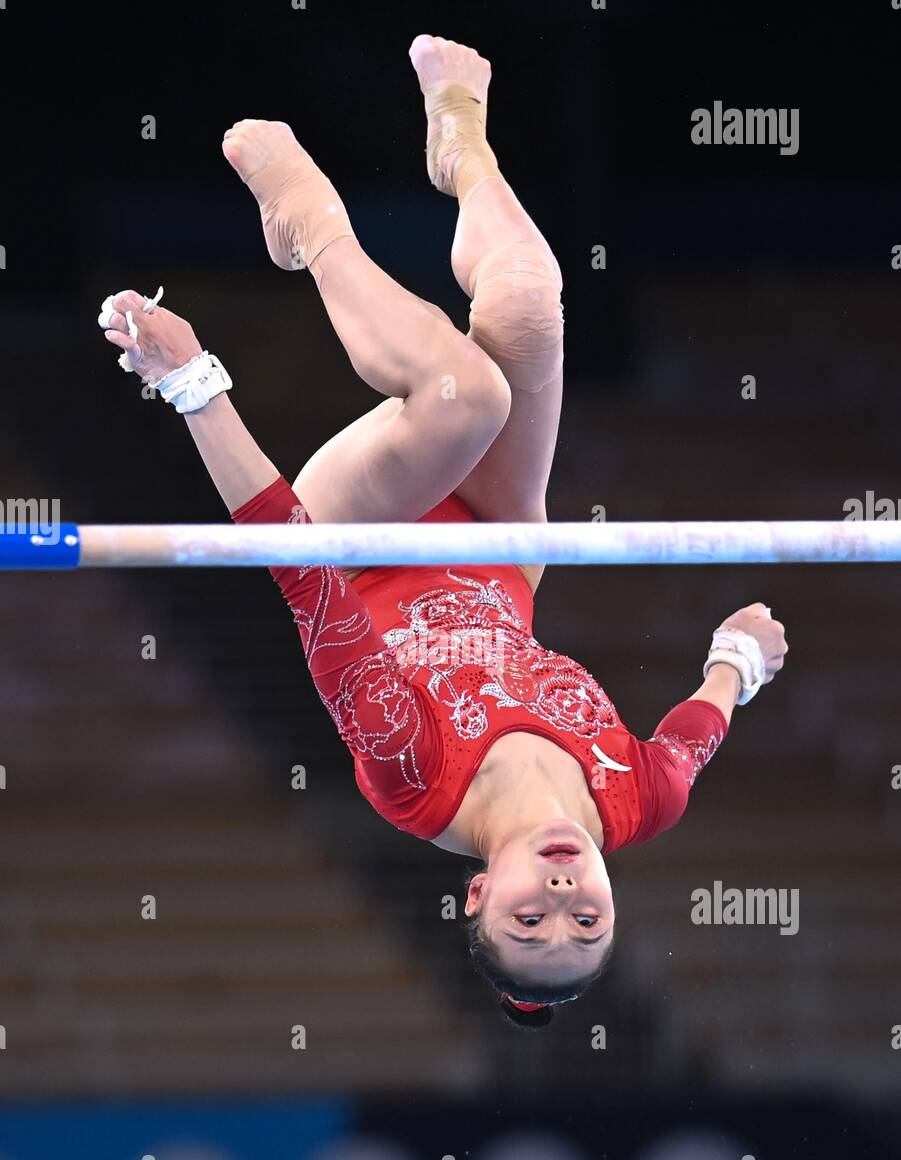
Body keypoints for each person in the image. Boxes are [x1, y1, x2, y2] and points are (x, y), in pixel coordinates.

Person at [99, 35, 788, 1027]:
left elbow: (305, 580)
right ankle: (459, 143)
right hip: (503, 550)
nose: (561, 907)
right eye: (585, 928)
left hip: (355, 537)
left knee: (466, 396)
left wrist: (191, 383)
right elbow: (697, 726)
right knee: (532, 306)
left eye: (527, 924)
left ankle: (308, 227)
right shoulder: (642, 799)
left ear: (476, 893)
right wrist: (739, 657)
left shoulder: (411, 778)